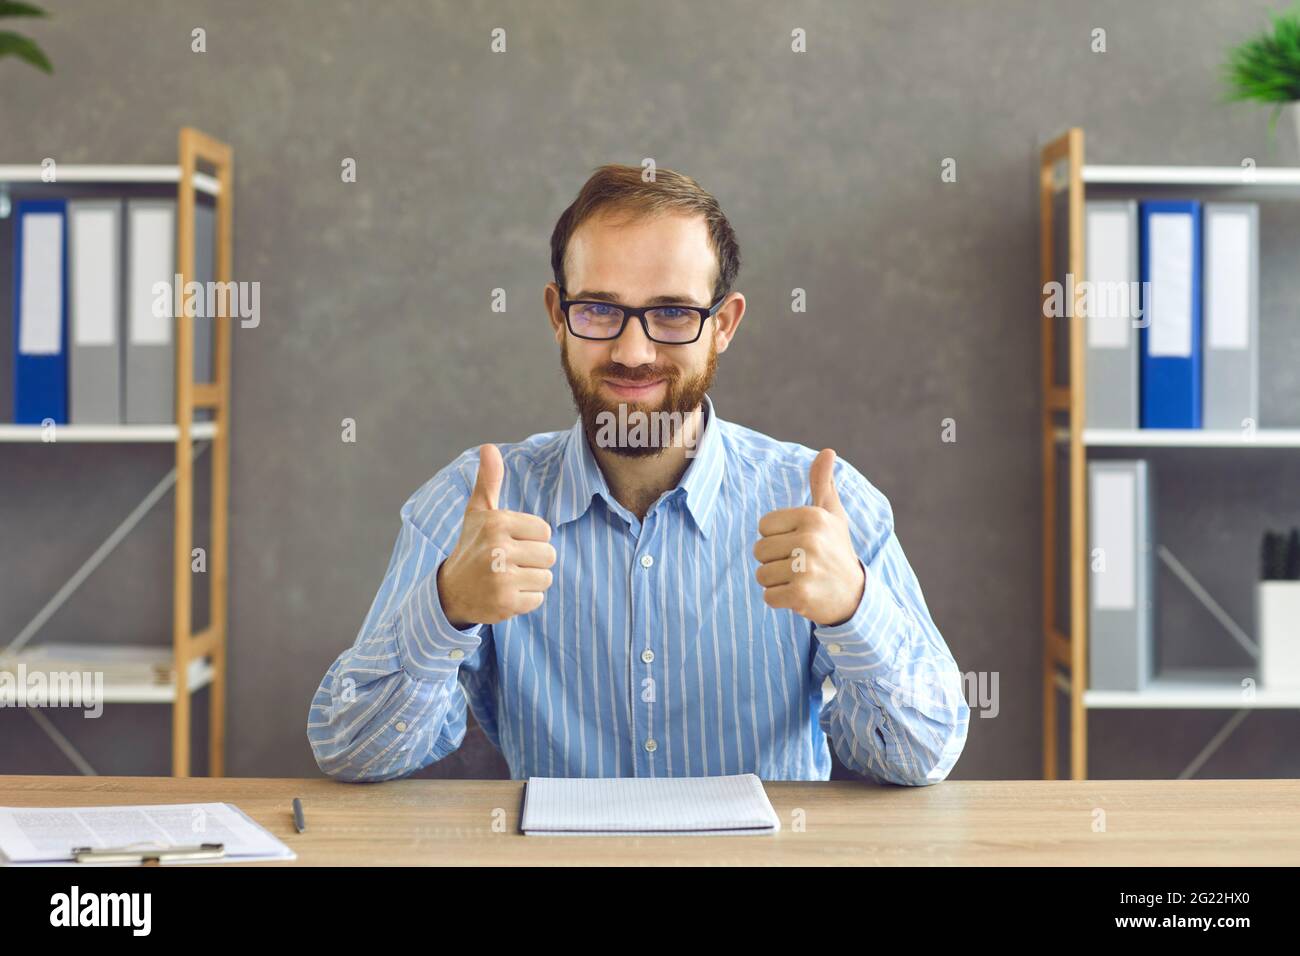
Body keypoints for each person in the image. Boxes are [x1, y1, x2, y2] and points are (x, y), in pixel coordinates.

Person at [308, 164, 969, 785]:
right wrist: (446, 609)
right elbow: (351, 749)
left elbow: (921, 757)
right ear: (556, 316)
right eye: (598, 309)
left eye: (673, 313)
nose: (632, 351)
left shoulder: (826, 508)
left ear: (724, 325)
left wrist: (853, 610)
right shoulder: (472, 507)